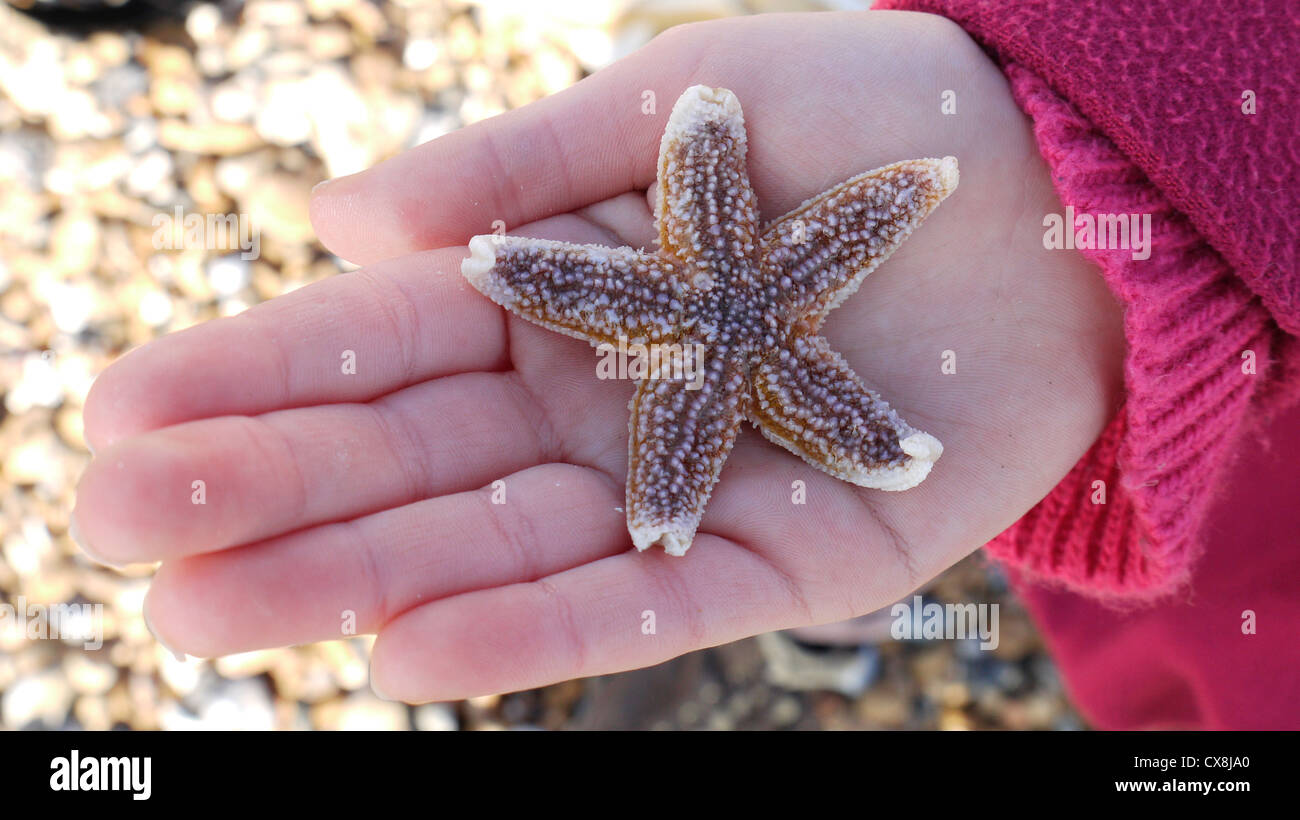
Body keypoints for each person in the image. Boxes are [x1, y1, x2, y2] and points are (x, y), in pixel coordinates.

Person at [71, 6, 1297, 726]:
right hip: (1196, 434)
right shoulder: (701, 283)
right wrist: (1112, 104)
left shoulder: (733, 309)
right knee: (1173, 661)